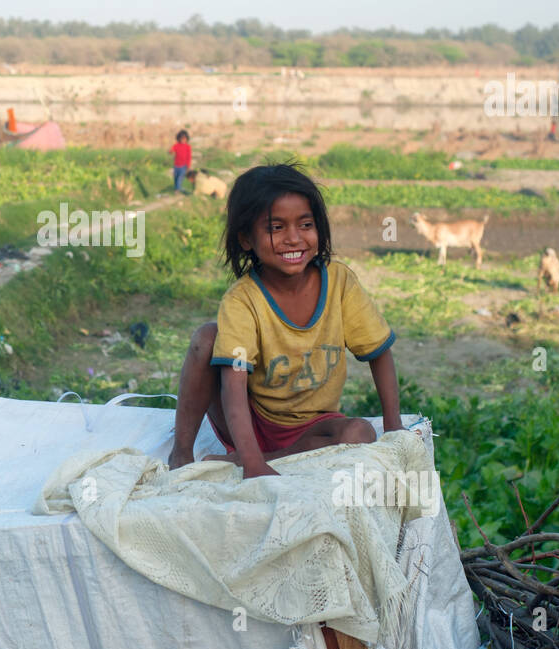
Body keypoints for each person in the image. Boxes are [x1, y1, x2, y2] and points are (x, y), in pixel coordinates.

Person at [168, 162, 404, 478]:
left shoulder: (340, 283)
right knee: (207, 338)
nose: (293, 238)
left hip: (314, 427)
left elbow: (379, 353)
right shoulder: (243, 300)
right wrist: (252, 462)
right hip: (248, 422)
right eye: (275, 228)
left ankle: (270, 457)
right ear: (247, 239)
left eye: (305, 225)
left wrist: (393, 429)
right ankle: (182, 453)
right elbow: (234, 385)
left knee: (360, 433)